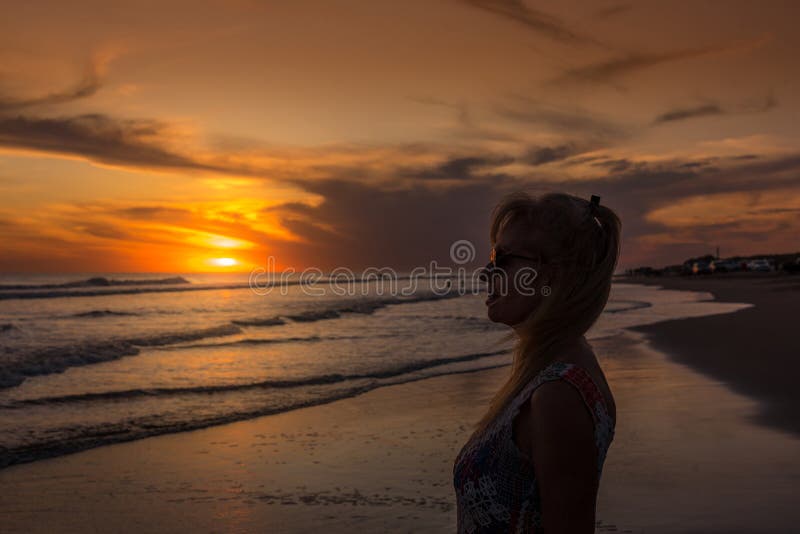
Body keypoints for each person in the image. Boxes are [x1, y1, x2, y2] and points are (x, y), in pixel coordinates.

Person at [453, 191, 620, 533]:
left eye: (504, 258)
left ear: (552, 276)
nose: (487, 272)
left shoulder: (559, 393)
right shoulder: (551, 372)